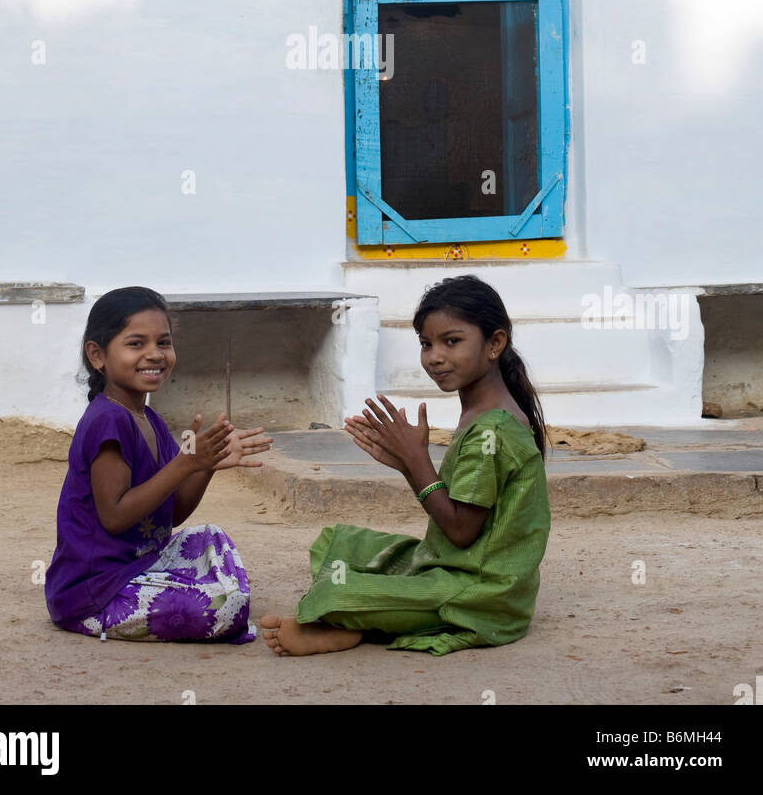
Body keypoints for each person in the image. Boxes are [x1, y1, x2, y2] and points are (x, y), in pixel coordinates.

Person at [261, 275, 550, 656]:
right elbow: (454, 517)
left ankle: (343, 625)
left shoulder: (490, 432)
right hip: (453, 565)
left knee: (340, 590)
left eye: (452, 341)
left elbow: (461, 531)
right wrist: (407, 465)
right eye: (426, 344)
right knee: (339, 545)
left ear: (495, 343)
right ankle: (364, 616)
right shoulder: (483, 414)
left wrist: (417, 461)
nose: (435, 357)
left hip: (480, 593)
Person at [45, 285, 271, 642]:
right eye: (136, 344)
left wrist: (205, 464)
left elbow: (173, 514)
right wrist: (184, 464)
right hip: (94, 593)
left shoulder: (150, 419)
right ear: (97, 355)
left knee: (212, 538)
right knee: (216, 606)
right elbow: (115, 516)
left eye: (163, 343)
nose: (154, 355)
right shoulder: (109, 420)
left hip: (140, 562)